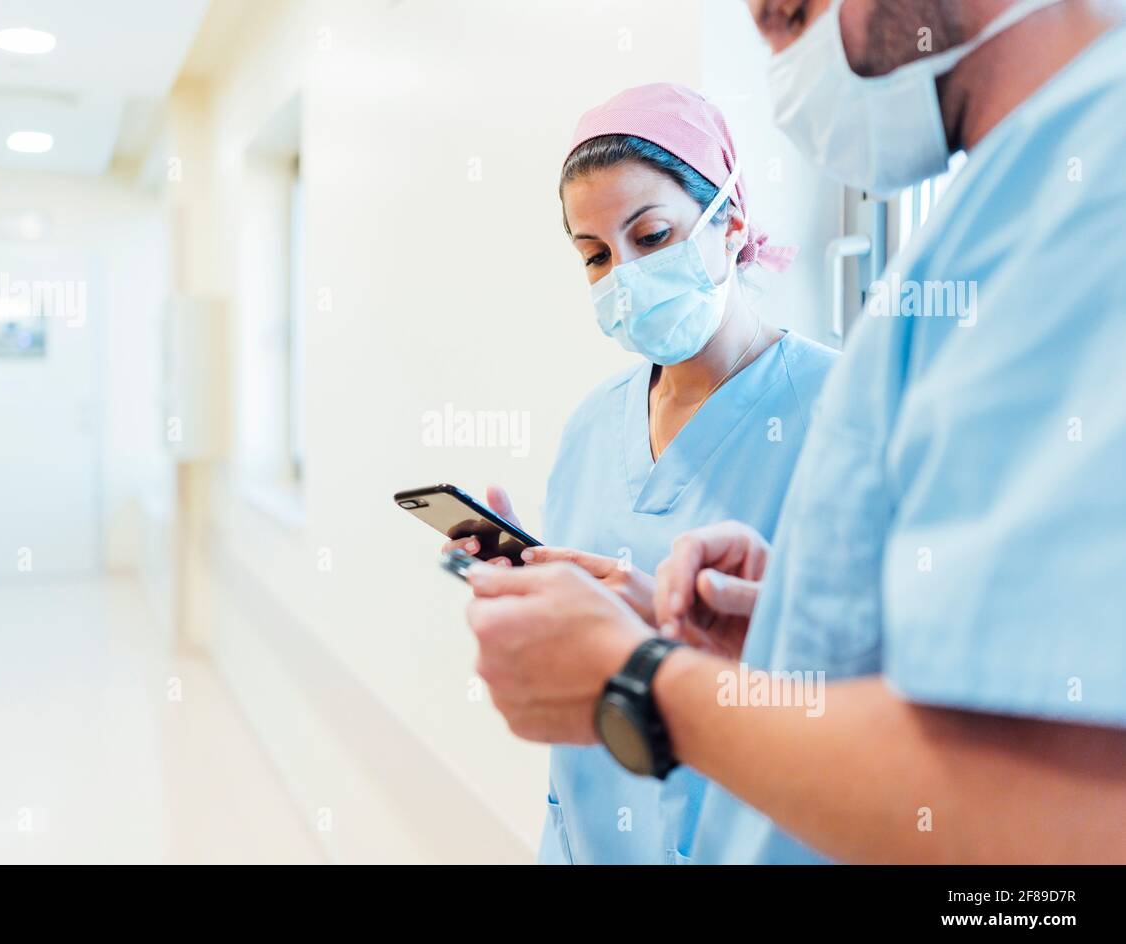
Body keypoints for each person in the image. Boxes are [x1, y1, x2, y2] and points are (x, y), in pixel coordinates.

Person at [463, 0, 1126, 863]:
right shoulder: (989, 217)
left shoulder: (1085, 203)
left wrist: (639, 680)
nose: (778, 44)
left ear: (728, 225)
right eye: (594, 253)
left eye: (793, 12)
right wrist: (769, 638)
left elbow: (1053, 815)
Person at [445, 84, 836, 864]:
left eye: (651, 236)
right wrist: (531, 588)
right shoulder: (595, 424)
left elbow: (869, 684)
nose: (622, 273)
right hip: (587, 831)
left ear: (729, 224)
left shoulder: (840, 411)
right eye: (595, 255)